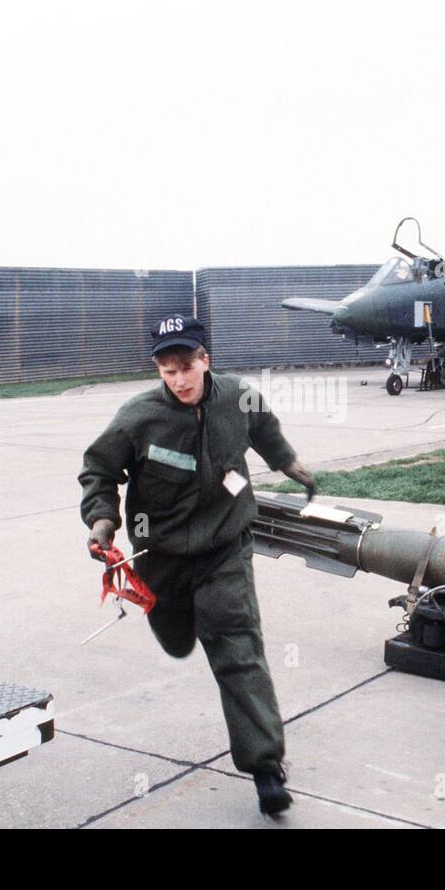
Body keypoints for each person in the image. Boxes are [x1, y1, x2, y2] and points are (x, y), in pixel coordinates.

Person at [78, 314, 316, 817]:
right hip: (160, 559)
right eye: (168, 371)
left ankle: (266, 768)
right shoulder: (137, 417)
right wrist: (102, 520)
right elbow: (99, 470)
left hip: (225, 548)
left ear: (206, 360)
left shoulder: (237, 395)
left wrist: (287, 463)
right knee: (177, 639)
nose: (180, 380)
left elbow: (264, 429)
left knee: (237, 647)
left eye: (187, 366)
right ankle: (177, 624)